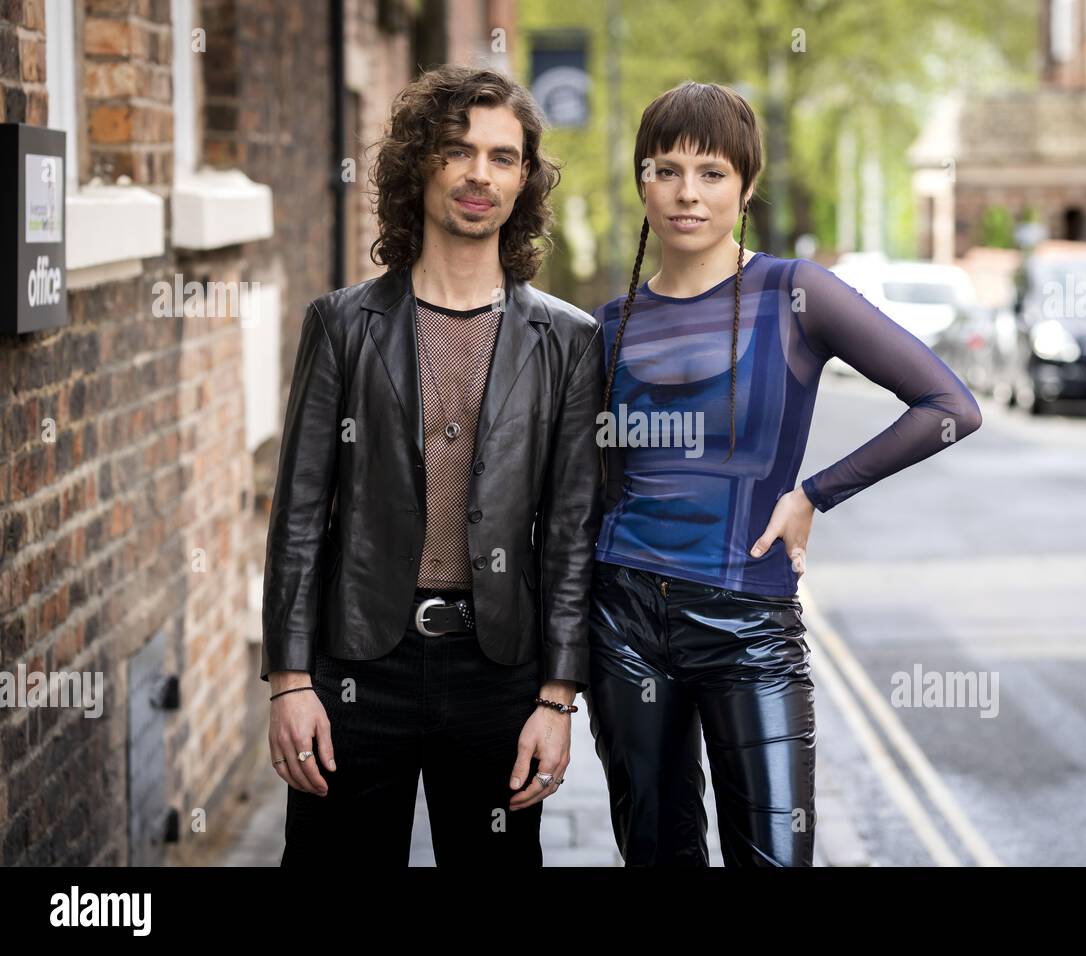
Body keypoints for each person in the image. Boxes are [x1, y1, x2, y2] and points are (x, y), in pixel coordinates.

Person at [586, 81, 983, 866]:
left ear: (747, 187)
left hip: (748, 623)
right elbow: (591, 489)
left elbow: (949, 405)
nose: (686, 193)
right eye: (665, 170)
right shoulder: (609, 324)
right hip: (622, 619)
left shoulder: (796, 294)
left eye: (711, 173)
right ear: (641, 183)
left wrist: (814, 494)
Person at [261, 65, 604, 867]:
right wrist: (289, 679)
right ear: (421, 162)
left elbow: (570, 532)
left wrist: (557, 697)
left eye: (503, 157)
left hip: (498, 673)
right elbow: (300, 512)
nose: (479, 174)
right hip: (355, 667)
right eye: (458, 151)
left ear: (524, 181)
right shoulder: (343, 324)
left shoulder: (568, 340)